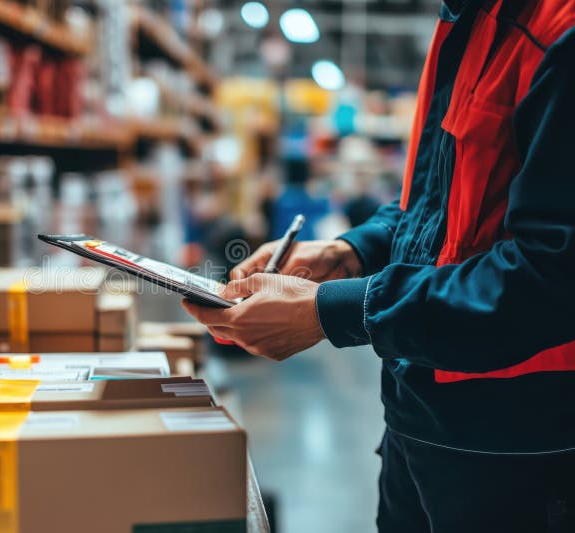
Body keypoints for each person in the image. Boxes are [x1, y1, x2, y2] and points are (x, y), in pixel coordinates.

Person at [182, 1, 575, 531]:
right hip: (416, 418)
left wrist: (337, 311)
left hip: (518, 449)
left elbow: (550, 274)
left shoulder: (560, 32)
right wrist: (350, 251)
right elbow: (436, 201)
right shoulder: (466, 18)